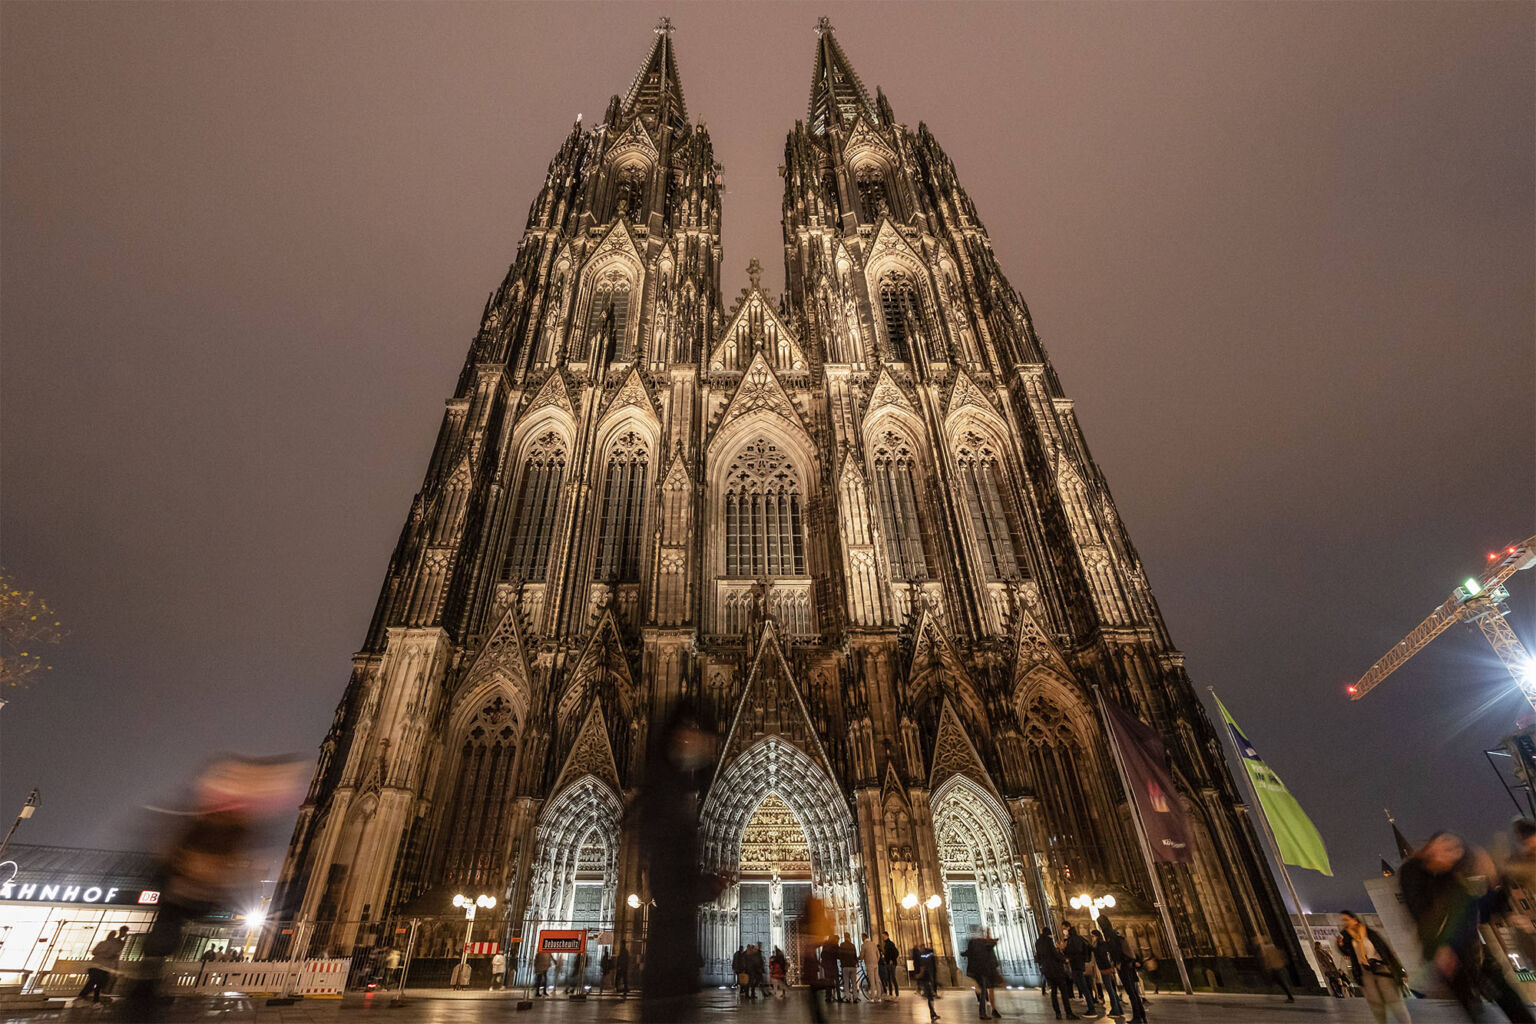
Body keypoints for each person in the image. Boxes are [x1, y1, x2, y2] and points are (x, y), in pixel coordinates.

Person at [1401, 831, 1532, 1023]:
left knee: (1509, 998)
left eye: (1455, 851)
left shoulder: (1453, 879)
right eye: (1446, 848)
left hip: (1474, 950)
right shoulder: (1412, 873)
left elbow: (1483, 911)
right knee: (1473, 1010)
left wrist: (1496, 882)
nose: (1451, 854)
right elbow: (1418, 911)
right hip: (1448, 957)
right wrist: (1440, 949)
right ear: (1431, 846)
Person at [1336, 910, 1410, 1024]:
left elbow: (1386, 952)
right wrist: (1340, 945)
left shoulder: (1370, 934)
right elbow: (1348, 953)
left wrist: (1400, 971)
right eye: (1342, 920)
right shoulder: (1347, 937)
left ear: (1354, 920)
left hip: (1381, 970)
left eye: (1346, 919)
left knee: (1394, 1001)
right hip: (1364, 973)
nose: (1344, 922)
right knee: (1376, 1005)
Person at [1101, 917, 1146, 1024]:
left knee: (1131, 992)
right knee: (1134, 992)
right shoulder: (1115, 934)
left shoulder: (1110, 936)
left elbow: (1115, 950)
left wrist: (1117, 962)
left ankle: (1137, 1018)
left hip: (1124, 966)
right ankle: (1141, 1015)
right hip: (1128, 965)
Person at [75, 926, 127, 1005]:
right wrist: (107, 955)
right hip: (99, 966)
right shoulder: (109, 943)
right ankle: (84, 997)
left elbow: (96, 952)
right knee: (96, 982)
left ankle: (92, 999)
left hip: (102, 966)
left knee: (97, 983)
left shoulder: (118, 944)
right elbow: (95, 952)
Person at [1036, 927, 1077, 1020]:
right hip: (1056, 970)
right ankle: (1068, 1013)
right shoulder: (1048, 941)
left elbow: (1038, 957)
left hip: (1047, 971)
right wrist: (1064, 959)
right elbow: (1055, 954)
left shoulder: (1038, 943)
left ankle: (1058, 1013)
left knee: (1053, 993)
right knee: (1064, 992)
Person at [963, 926, 1002, 1020]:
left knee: (985, 989)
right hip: (984, 970)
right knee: (985, 989)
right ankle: (986, 1011)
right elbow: (992, 944)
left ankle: (990, 1009)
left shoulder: (975, 943)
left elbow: (967, 953)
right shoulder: (982, 944)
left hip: (982, 970)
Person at [1062, 924, 1098, 1015]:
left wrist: (1066, 952)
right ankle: (1091, 1007)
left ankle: (1092, 1009)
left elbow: (1074, 951)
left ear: (1068, 928)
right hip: (1078, 964)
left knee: (1083, 987)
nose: (1063, 930)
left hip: (1077, 965)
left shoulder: (1073, 939)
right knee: (1082, 986)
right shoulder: (1076, 938)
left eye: (1064, 928)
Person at [1090, 929, 1124, 1017]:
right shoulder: (1100, 945)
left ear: (1097, 936)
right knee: (1111, 989)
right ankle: (1118, 1009)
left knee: (1110, 989)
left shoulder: (1100, 945)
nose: (1092, 938)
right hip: (1106, 968)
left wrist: (1109, 968)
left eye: (1093, 936)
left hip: (1105, 969)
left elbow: (1103, 957)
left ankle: (1116, 1010)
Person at [1255, 935, 1295, 1002]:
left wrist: (1267, 966)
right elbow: (1281, 955)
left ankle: (1290, 997)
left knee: (1280, 982)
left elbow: (1268, 959)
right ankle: (1273, 992)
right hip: (1278, 967)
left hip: (1276, 967)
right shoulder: (1272, 947)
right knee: (1278, 982)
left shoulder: (1267, 948)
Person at [913, 941, 941, 1022]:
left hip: (927, 977)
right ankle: (932, 1013)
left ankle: (932, 1013)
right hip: (927, 977)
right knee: (930, 997)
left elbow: (923, 966)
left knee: (930, 997)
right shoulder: (926, 954)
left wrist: (919, 975)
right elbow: (924, 966)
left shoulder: (923, 955)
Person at [862, 932, 885, 1001]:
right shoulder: (873, 944)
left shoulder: (864, 945)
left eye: (862, 937)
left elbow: (861, 955)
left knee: (872, 981)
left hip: (869, 964)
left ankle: (872, 997)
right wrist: (876, 961)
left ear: (863, 937)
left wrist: (858, 958)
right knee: (877, 980)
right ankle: (879, 997)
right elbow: (878, 954)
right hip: (875, 964)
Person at [839, 932, 860, 1003]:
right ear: (849, 937)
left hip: (845, 966)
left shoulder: (842, 945)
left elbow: (840, 955)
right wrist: (856, 963)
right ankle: (855, 997)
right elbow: (855, 955)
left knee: (846, 983)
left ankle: (847, 997)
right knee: (854, 983)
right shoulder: (852, 945)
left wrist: (842, 963)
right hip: (852, 966)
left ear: (844, 937)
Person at [880, 930, 901, 998]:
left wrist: (892, 959)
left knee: (893, 978)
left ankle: (897, 994)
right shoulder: (886, 944)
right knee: (888, 978)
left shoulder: (890, 943)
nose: (882, 938)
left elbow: (895, 953)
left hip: (891, 964)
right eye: (882, 936)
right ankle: (891, 993)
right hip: (888, 963)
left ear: (887, 936)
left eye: (883, 936)